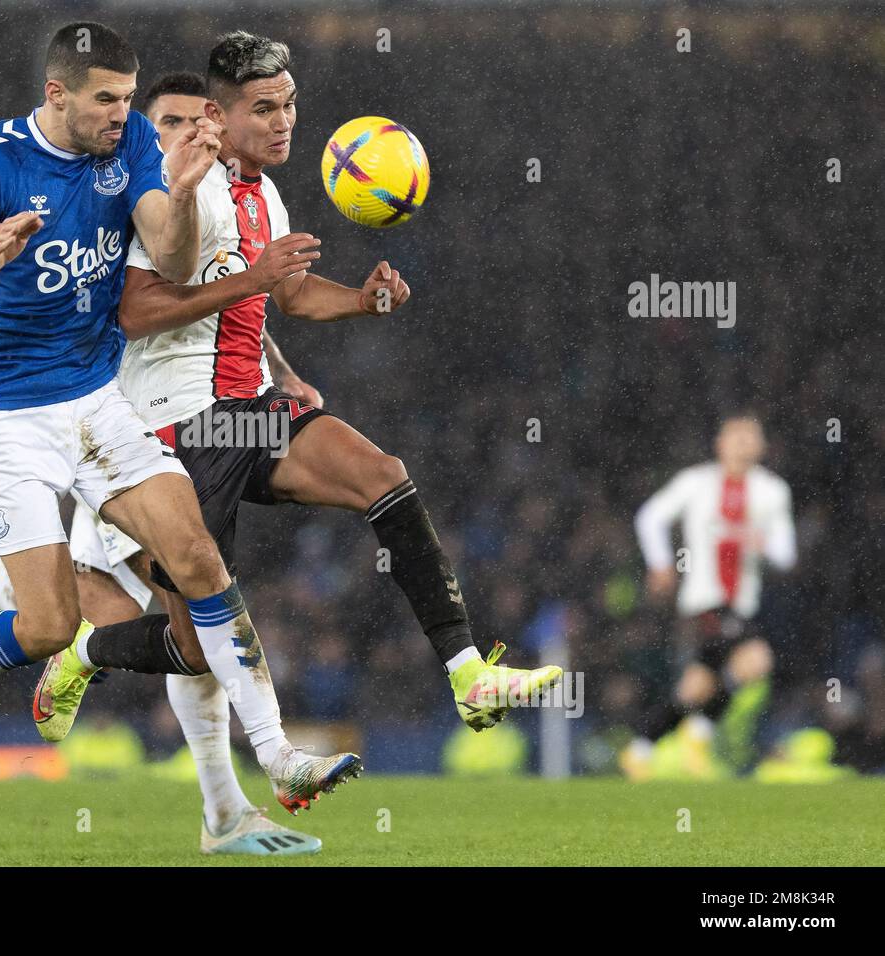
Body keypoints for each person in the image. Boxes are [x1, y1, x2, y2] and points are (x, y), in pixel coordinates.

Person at [0, 23, 357, 814]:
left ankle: (279, 756)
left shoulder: (135, 154)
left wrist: (183, 191)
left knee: (198, 560)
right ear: (58, 95)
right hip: (11, 415)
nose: (124, 115)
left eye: (130, 97)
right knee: (48, 625)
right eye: (107, 100)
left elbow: (176, 264)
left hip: (97, 401)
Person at [38, 30, 563, 759]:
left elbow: (289, 292)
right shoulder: (172, 188)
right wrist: (251, 280)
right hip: (176, 434)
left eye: (290, 104)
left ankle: (467, 672)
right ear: (219, 118)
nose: (285, 121)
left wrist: (361, 300)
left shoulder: (264, 193)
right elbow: (135, 310)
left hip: (246, 415)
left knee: (383, 475)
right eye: (265, 108)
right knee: (194, 650)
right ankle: (84, 655)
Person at [629, 413, 796, 776]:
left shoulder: (772, 491)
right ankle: (701, 732)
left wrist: (761, 542)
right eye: (735, 435)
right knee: (757, 659)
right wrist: (660, 563)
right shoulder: (696, 483)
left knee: (698, 686)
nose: (742, 442)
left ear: (762, 446)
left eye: (750, 436)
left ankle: (640, 748)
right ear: (719, 443)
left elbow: (787, 553)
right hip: (705, 599)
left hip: (744, 604)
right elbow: (649, 517)